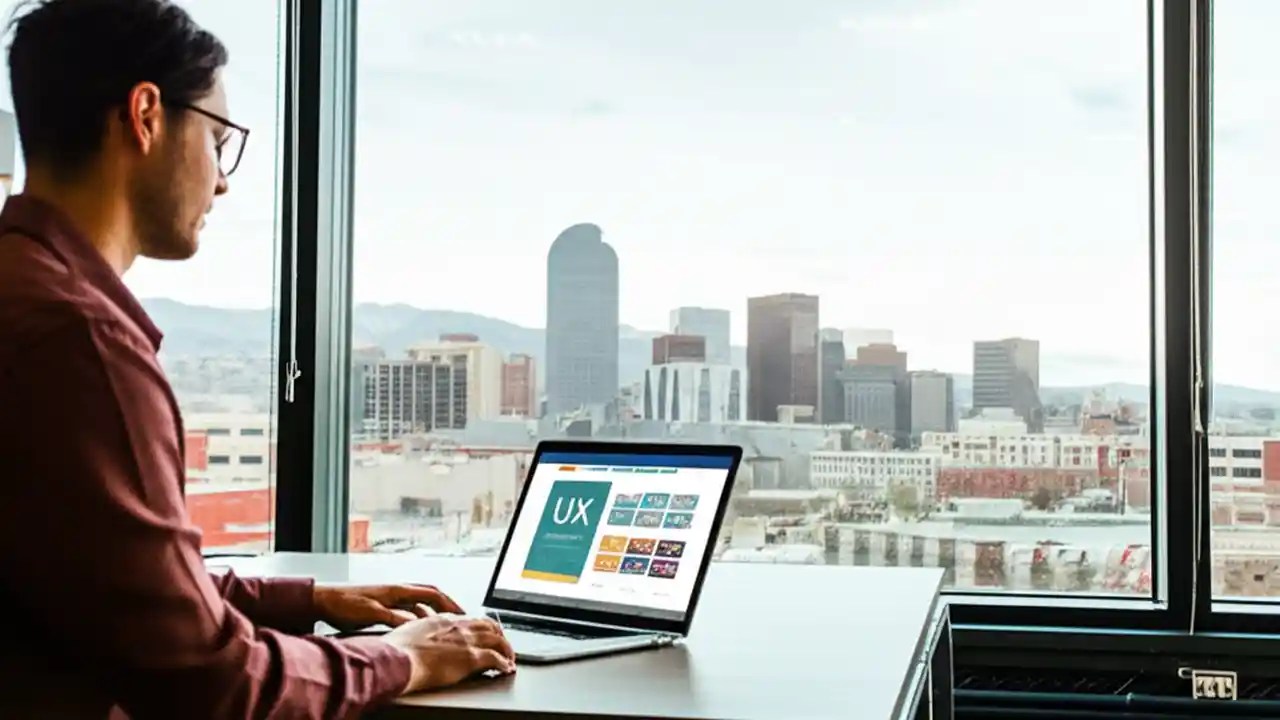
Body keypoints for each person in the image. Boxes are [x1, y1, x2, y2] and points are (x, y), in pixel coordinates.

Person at [0, 0, 514, 717]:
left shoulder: (22, 292)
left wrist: (310, 601)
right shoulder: (78, 341)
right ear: (146, 116)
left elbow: (105, 582)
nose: (221, 180)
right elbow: (210, 680)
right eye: (217, 138)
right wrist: (399, 659)